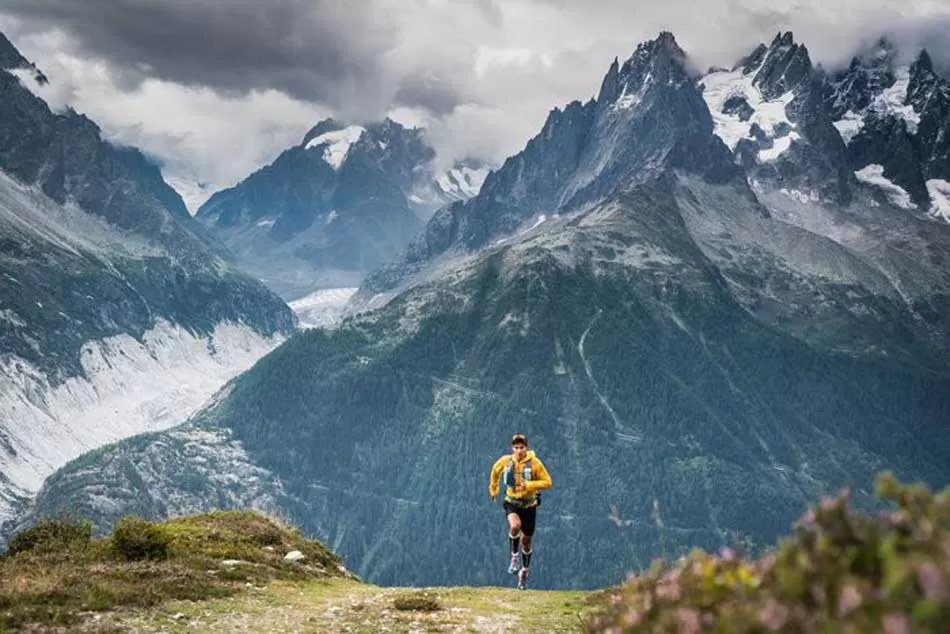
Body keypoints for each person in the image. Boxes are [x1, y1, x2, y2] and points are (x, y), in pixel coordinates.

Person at [489, 433, 552, 590]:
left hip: (529, 505)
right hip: (511, 502)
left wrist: (529, 485)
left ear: (526, 448)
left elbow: (548, 482)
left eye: (521, 447)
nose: (518, 451)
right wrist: (494, 489)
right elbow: (495, 472)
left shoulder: (535, 463)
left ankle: (524, 571)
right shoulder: (506, 461)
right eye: (516, 447)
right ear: (512, 448)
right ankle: (514, 557)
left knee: (526, 542)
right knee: (515, 526)